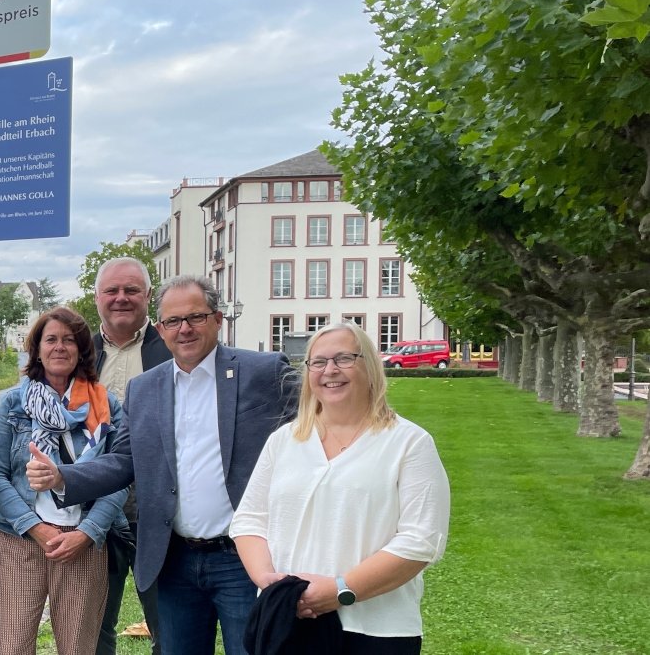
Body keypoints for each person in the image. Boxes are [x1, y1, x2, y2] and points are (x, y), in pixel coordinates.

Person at [26, 275, 298, 655]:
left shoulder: (263, 372)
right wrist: (61, 476)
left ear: (218, 319)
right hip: (175, 559)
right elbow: (123, 460)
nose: (184, 329)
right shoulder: (146, 387)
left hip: (244, 556)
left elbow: (311, 434)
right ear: (160, 329)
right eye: (173, 321)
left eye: (196, 317)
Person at [231, 323, 450, 654]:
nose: (330, 370)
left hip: (376, 630)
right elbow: (249, 520)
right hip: (288, 623)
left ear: (370, 366)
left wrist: (341, 590)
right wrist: (270, 582)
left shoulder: (408, 443)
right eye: (318, 362)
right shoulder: (285, 441)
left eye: (344, 358)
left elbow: (421, 540)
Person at [0, 307, 129, 655]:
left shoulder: (105, 405)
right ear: (37, 349)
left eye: (69, 340)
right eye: (51, 339)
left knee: (78, 647)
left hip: (82, 544)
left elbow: (121, 476)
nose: (60, 347)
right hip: (22, 541)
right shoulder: (15, 403)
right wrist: (35, 526)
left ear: (81, 349)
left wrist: (89, 531)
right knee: (12, 646)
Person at [91, 257, 172, 655]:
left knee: (168, 624)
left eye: (131, 290)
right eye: (112, 291)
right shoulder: (77, 355)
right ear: (97, 298)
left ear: (148, 296)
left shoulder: (175, 349)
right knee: (92, 625)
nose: (121, 298)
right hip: (93, 516)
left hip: (157, 511)